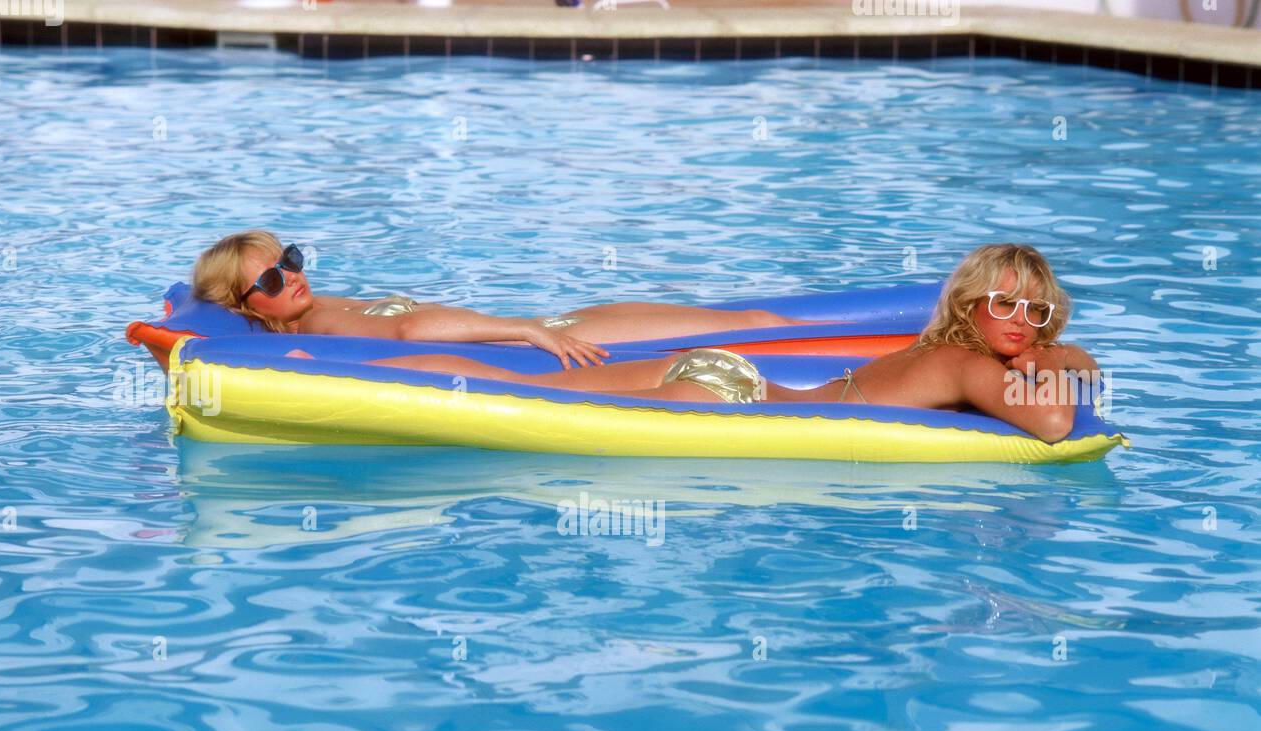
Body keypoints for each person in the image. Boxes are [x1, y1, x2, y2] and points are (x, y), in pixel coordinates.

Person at [355, 243, 1100, 443]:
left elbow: (1078, 371)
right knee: (521, 393)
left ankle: (388, 367)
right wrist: (1052, 359)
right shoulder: (970, 365)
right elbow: (1055, 420)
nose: (1019, 320)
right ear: (974, 304)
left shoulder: (940, 345)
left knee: (521, 385)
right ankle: (387, 371)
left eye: (1036, 312)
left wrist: (1053, 350)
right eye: (1004, 302)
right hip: (730, 389)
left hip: (730, 375)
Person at [191, 229, 811, 370]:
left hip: (542, 323)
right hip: (535, 333)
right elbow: (409, 334)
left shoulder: (316, 306)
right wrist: (528, 332)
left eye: (289, 261)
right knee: (753, 325)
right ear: (247, 308)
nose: (291, 277)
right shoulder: (316, 325)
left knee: (752, 320)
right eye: (270, 281)